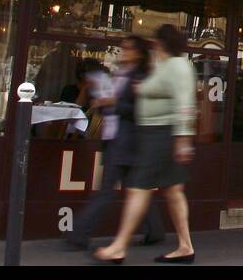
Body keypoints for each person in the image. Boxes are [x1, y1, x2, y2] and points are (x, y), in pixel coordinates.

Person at [93, 25, 196, 264]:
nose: (154, 46)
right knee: (173, 191)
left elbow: (184, 103)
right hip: (159, 134)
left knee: (138, 188)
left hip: (161, 135)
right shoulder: (169, 66)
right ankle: (185, 246)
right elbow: (164, 92)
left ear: (163, 43)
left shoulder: (177, 67)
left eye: (156, 42)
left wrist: (183, 139)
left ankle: (119, 247)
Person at [66, 36, 165, 250]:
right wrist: (101, 103)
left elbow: (140, 110)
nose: (124, 51)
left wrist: (114, 103)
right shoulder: (119, 74)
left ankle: (79, 234)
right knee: (136, 188)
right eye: (123, 48)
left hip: (128, 141)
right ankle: (155, 230)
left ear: (139, 53)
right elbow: (114, 106)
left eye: (128, 48)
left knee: (108, 190)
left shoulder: (142, 77)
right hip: (115, 139)